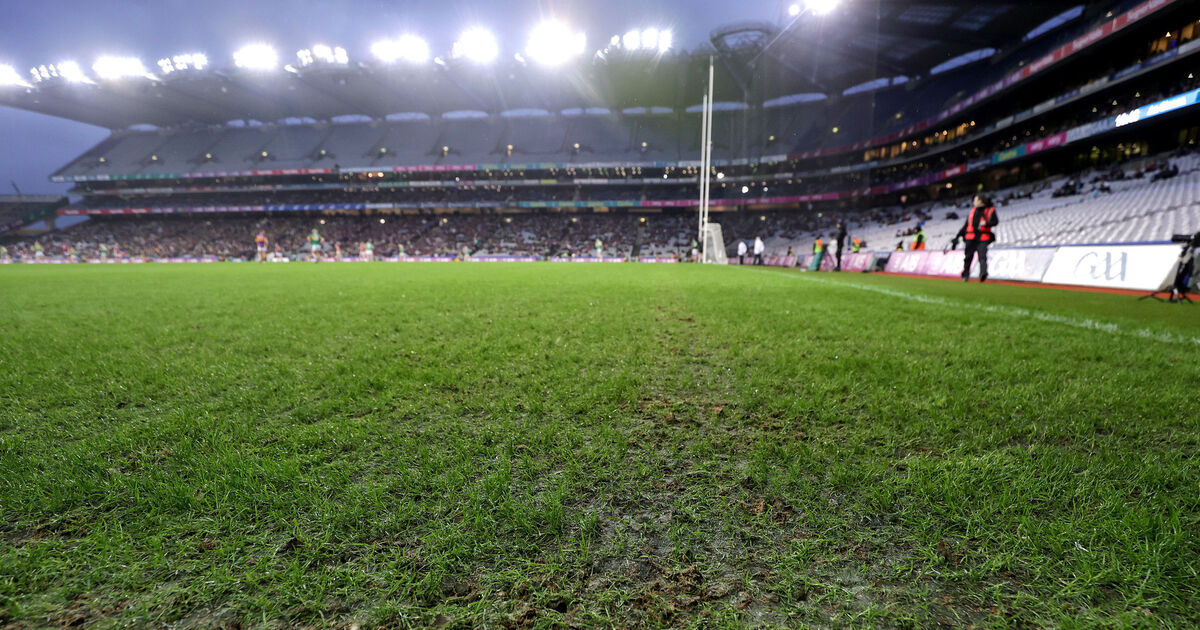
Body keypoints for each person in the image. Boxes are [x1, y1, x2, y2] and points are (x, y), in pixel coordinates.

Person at [956, 194, 1000, 282]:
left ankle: (983, 273)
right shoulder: (972, 211)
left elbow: (995, 222)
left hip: (983, 237)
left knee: (982, 256)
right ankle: (965, 274)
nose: (974, 202)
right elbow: (966, 225)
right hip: (970, 237)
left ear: (980, 201)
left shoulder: (990, 210)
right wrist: (957, 236)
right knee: (968, 257)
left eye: (975, 200)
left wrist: (986, 224)